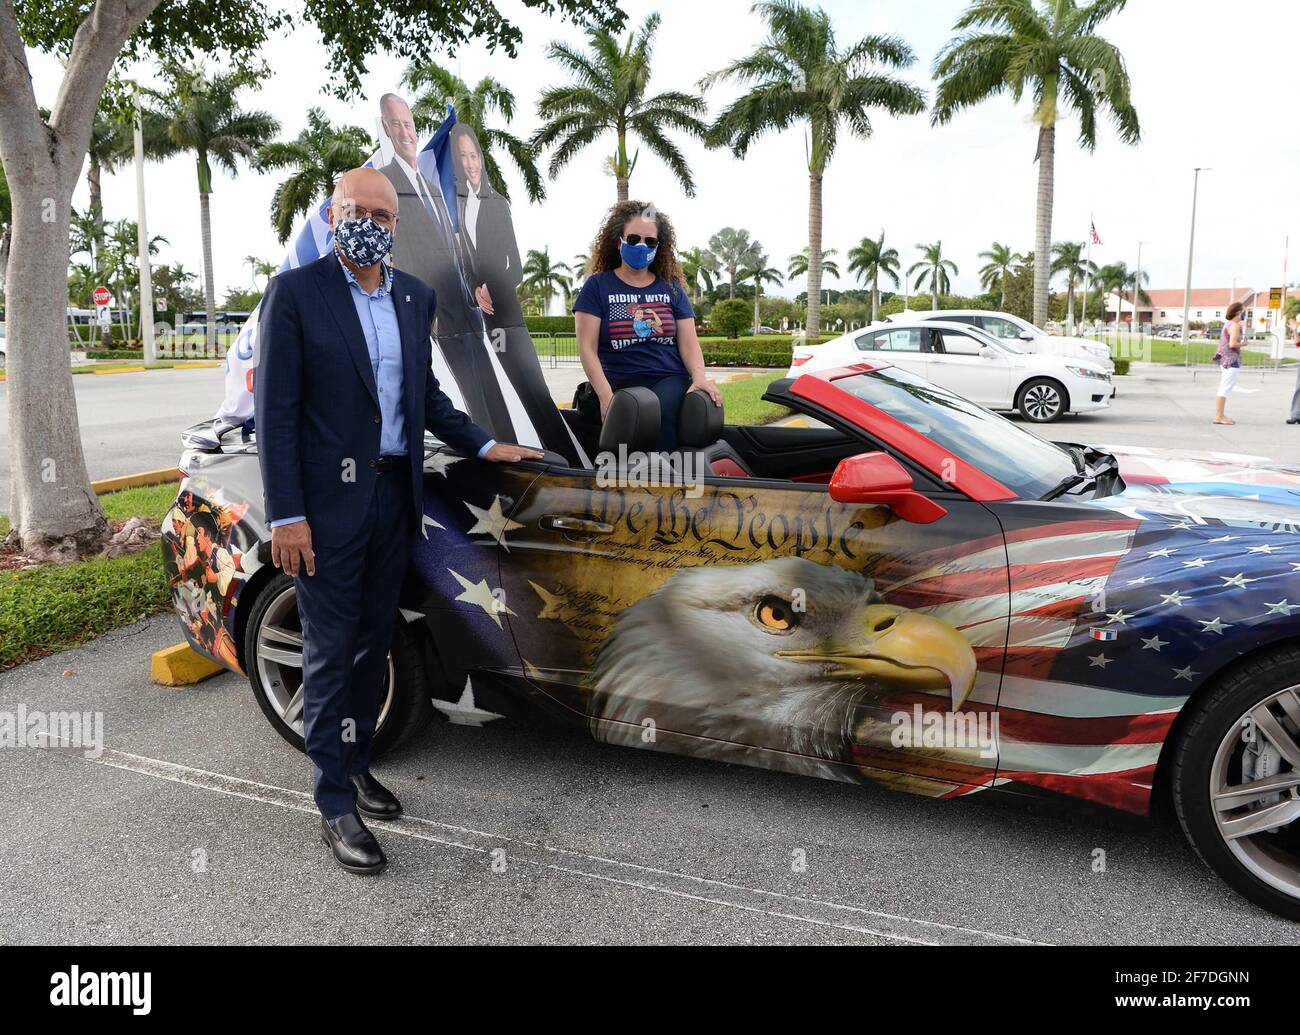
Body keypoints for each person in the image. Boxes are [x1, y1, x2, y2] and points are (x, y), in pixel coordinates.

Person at [254, 167, 542, 875]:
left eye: (385, 215)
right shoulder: (296, 294)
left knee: (369, 644)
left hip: (393, 502)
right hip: (323, 513)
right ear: (333, 212)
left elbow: (427, 399)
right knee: (328, 652)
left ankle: (354, 768)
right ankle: (333, 804)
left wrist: (483, 442)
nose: (373, 223)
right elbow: (277, 415)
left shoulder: (414, 296)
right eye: (360, 210)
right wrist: (288, 516)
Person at [376, 94, 515, 438]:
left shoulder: (432, 184)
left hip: (467, 311)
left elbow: (452, 247)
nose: (404, 131)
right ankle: (487, 455)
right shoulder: (386, 182)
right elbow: (398, 253)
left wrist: (474, 289)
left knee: (492, 396)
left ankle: (510, 448)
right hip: (437, 316)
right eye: (395, 124)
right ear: (386, 129)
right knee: (472, 404)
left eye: (408, 123)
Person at [450, 122, 580, 464]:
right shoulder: (459, 208)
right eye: (463, 156)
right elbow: (466, 264)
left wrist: (494, 286)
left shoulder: (497, 204)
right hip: (479, 321)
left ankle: (567, 462)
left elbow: (517, 266)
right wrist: (475, 290)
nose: (471, 162)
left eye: (474, 154)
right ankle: (519, 460)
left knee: (533, 390)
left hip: (507, 317)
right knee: (500, 398)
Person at [573, 201, 720, 450]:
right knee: (638, 410)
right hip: (620, 380)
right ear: (619, 241)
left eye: (650, 241)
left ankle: (667, 478)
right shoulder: (596, 287)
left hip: (668, 377)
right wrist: (605, 396)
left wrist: (699, 377)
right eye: (633, 239)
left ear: (658, 247)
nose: (642, 246)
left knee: (659, 407)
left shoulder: (671, 288)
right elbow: (587, 348)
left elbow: (688, 342)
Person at [1212, 301, 1245, 425]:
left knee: (1224, 387)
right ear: (1238, 312)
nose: (1245, 313)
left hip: (1225, 360)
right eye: (1243, 311)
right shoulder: (1235, 326)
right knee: (1225, 388)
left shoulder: (1228, 324)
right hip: (1231, 361)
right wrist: (1243, 344)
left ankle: (1220, 415)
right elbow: (1232, 344)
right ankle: (1219, 416)